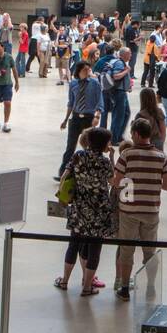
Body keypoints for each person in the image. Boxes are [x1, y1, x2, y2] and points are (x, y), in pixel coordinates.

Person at [112, 117, 167, 301]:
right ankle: (151, 286)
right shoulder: (162, 157)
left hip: (129, 210)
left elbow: (117, 182)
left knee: (126, 250)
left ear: (137, 134)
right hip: (151, 210)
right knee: (149, 252)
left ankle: (124, 288)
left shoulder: (126, 155)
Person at [55, 126, 114, 296]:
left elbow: (65, 175)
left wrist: (64, 194)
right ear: (103, 144)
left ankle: (65, 280)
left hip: (80, 207)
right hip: (99, 210)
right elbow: (113, 181)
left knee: (73, 244)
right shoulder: (104, 162)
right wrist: (112, 157)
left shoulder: (78, 156)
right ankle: (87, 286)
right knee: (95, 249)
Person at [61, 61, 102, 172]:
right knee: (70, 146)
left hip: (89, 117)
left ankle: (91, 170)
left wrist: (97, 116)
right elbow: (71, 103)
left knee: (91, 146)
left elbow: (100, 101)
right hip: (75, 118)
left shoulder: (95, 83)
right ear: (78, 71)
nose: (87, 72)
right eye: (85, 70)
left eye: (88, 69)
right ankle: (64, 172)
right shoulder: (73, 83)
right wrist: (65, 120)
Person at [133, 86, 167, 151]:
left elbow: (136, 133)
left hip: (144, 141)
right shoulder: (159, 111)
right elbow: (163, 130)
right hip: (158, 140)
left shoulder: (140, 114)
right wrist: (161, 141)